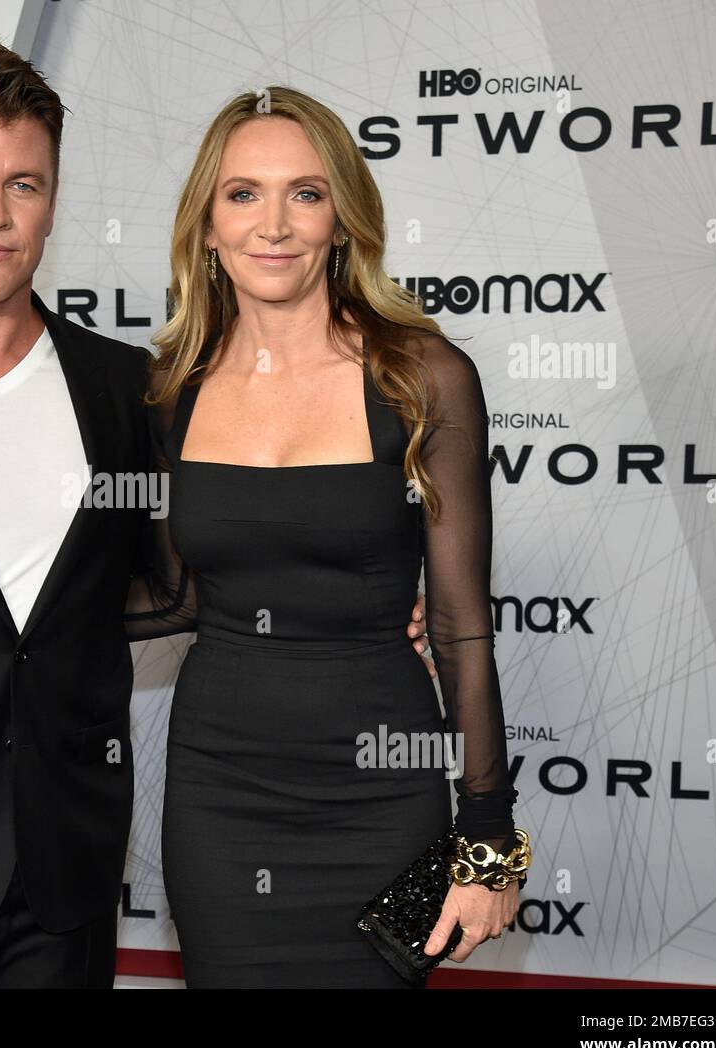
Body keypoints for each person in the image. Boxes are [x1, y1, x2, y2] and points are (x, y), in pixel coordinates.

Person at [0, 29, 431, 989]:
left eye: (24, 184)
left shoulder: (129, 389)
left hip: (64, 882)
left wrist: (349, 608)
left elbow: (186, 575)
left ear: (53, 200)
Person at [123, 86, 527, 987]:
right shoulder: (170, 391)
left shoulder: (423, 375)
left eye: (305, 193)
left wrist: (490, 837)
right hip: (220, 800)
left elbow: (462, 626)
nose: (274, 224)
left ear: (342, 218)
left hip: (382, 801)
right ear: (208, 224)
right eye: (244, 194)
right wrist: (0, 613)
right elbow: (175, 595)